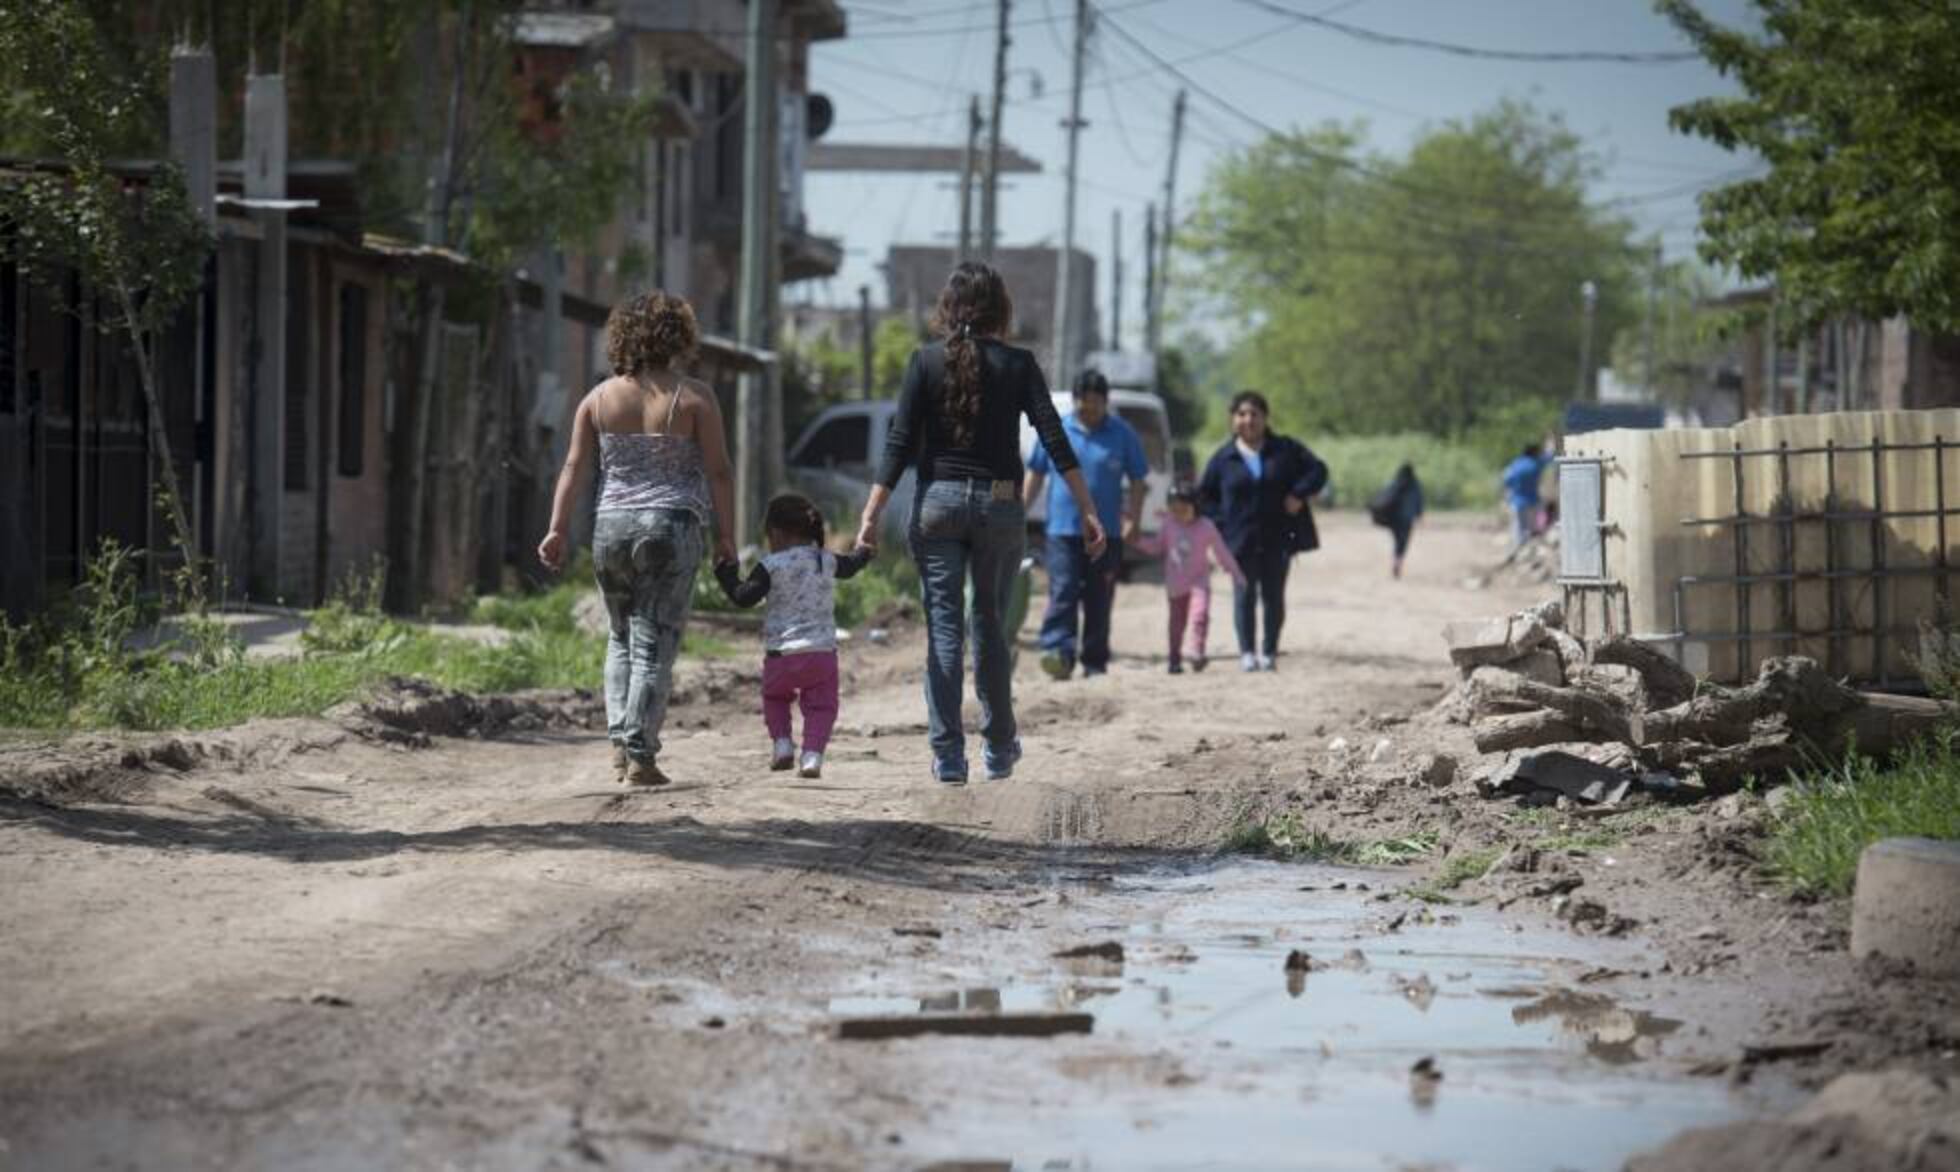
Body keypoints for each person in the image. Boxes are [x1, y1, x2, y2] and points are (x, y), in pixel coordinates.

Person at [854, 261, 1105, 785]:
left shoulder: (924, 363)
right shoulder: (1018, 365)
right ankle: (998, 746)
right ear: (1001, 310)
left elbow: (899, 444)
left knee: (944, 630)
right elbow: (1054, 438)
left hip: (938, 505)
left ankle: (948, 756)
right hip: (999, 504)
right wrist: (1087, 507)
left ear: (948, 308)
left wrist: (871, 514)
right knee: (988, 621)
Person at [538, 290, 736, 787]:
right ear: (679, 337)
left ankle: (618, 749)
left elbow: (573, 468)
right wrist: (726, 537)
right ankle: (641, 755)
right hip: (670, 525)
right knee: (654, 641)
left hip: (611, 528)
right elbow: (719, 473)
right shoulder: (696, 398)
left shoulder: (598, 399)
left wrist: (557, 527)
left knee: (620, 636)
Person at [715, 494, 871, 780]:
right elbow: (850, 566)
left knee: (774, 698)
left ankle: (783, 745)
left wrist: (725, 573)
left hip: (780, 656)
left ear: (775, 533)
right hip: (821, 655)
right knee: (822, 706)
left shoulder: (770, 565)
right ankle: (812, 756)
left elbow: (743, 597)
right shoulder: (826, 560)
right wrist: (863, 554)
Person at [1024, 368, 1149, 680]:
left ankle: (1094, 661)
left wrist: (1133, 518)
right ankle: (1058, 653)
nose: (1089, 406)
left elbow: (1137, 480)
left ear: (1105, 402)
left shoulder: (1122, 434)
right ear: (1074, 399)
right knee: (1063, 591)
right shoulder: (1057, 430)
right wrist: (1019, 511)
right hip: (1062, 531)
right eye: (1083, 400)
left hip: (1107, 533)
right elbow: (1036, 473)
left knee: (1099, 596)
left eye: (1095, 401)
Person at [1197, 390, 1328, 672]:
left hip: (1277, 537)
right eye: (1242, 414)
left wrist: (1298, 494)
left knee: (1274, 596)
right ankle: (1246, 653)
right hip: (1239, 541)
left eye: (1255, 414)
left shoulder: (1285, 449)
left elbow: (1318, 470)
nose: (1248, 420)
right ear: (1233, 420)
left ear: (1265, 418)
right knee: (1244, 596)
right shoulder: (1223, 458)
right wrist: (1222, 525)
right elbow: (1205, 498)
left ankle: (1268, 651)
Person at [1132, 484, 1245, 674]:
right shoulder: (1169, 524)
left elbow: (1222, 552)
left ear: (1195, 506)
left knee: (1200, 615)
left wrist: (1236, 573)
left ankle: (1196, 652)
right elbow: (1157, 547)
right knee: (1176, 623)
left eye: (1183, 509)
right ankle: (1174, 658)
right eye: (1174, 509)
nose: (1179, 513)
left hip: (1199, 581)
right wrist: (1136, 541)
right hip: (1175, 584)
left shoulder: (1206, 526)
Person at [1368, 463, 1425, 579]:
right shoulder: (1415, 485)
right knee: (1403, 542)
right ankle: (1398, 561)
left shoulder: (1396, 482)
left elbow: (1386, 497)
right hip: (1407, 519)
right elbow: (1419, 501)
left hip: (1394, 519)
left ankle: (1396, 560)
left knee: (1397, 540)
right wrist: (1419, 515)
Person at [1502, 442, 1553, 551]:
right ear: (1535, 452)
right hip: (1533, 501)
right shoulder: (1536, 463)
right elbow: (1550, 456)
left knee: (1518, 528)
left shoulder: (1516, 464)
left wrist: (1507, 495)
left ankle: (1518, 550)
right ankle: (1532, 549)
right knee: (1535, 527)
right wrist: (1550, 443)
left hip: (1517, 501)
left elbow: (1507, 480)